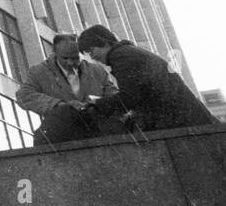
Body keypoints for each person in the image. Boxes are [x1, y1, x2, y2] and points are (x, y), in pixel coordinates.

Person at [77, 25, 217, 134]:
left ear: (103, 42)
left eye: (91, 51)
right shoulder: (128, 52)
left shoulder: (121, 57)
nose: (92, 57)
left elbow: (130, 97)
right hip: (187, 118)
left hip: (180, 123)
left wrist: (97, 103)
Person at [15, 33, 118, 145]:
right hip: (61, 132)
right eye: (65, 58)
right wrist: (59, 105)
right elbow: (24, 96)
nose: (70, 63)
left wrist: (97, 103)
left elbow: (113, 95)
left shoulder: (97, 70)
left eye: (75, 58)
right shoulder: (39, 72)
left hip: (96, 130)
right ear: (54, 53)